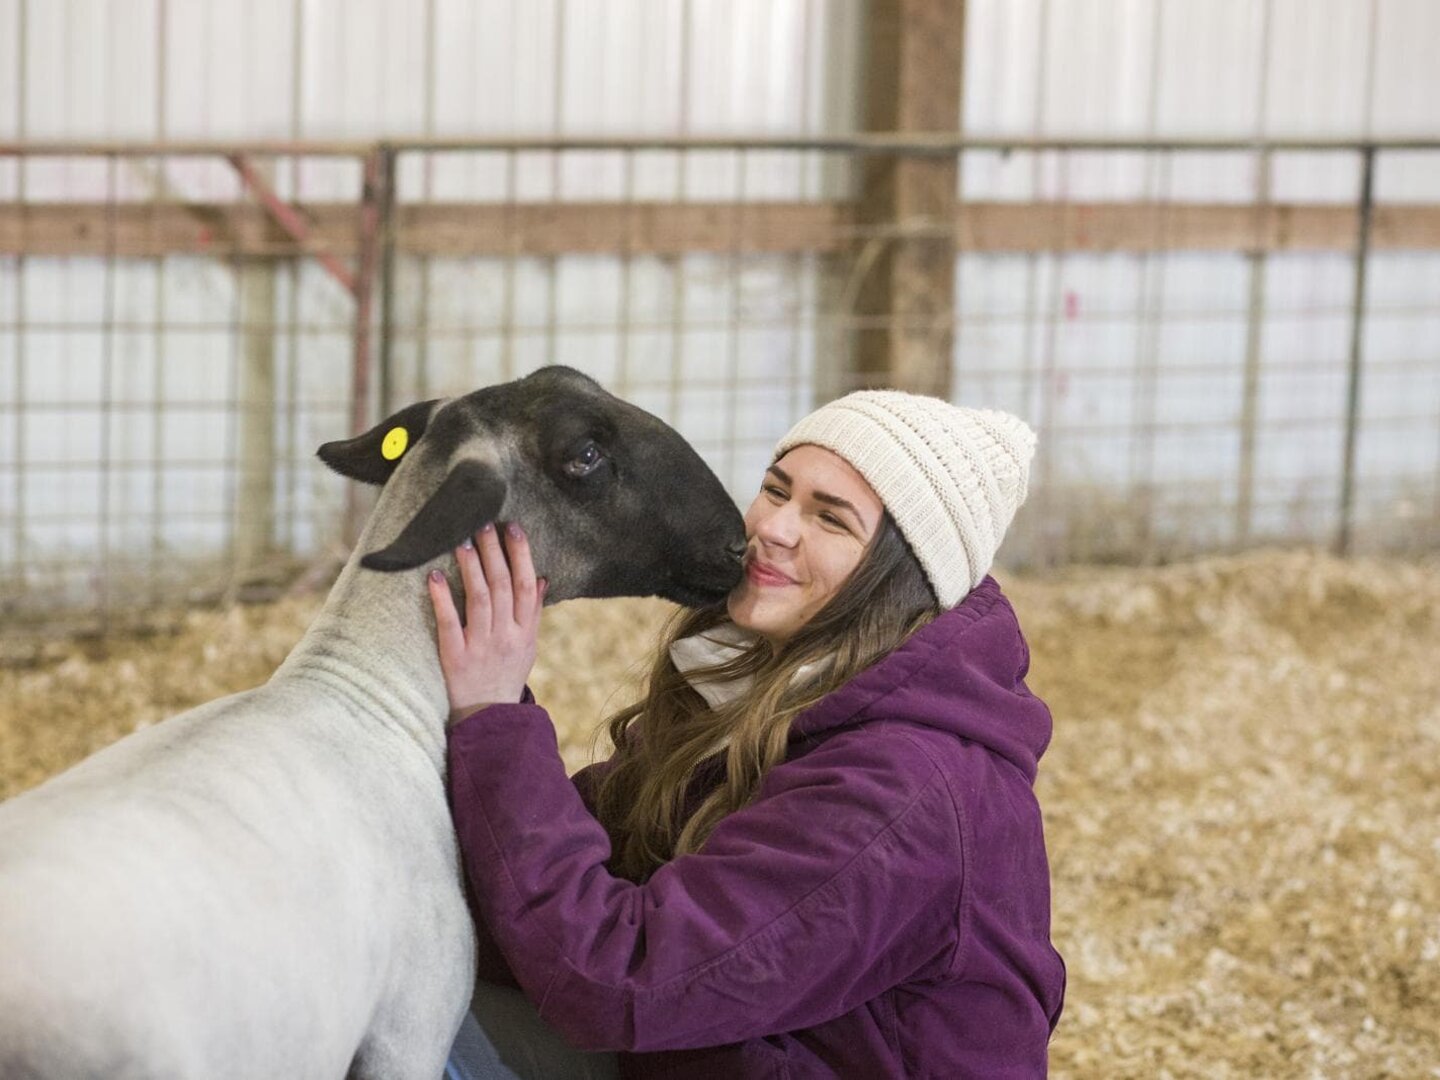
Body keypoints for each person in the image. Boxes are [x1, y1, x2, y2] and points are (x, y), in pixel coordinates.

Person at [431, 389, 1066, 1079]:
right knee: (404, 998)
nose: (776, 527)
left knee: (419, 1045)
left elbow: (618, 980)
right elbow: (550, 886)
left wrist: (493, 721)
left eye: (830, 519)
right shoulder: (767, 692)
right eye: (776, 489)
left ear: (899, 580)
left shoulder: (896, 794)